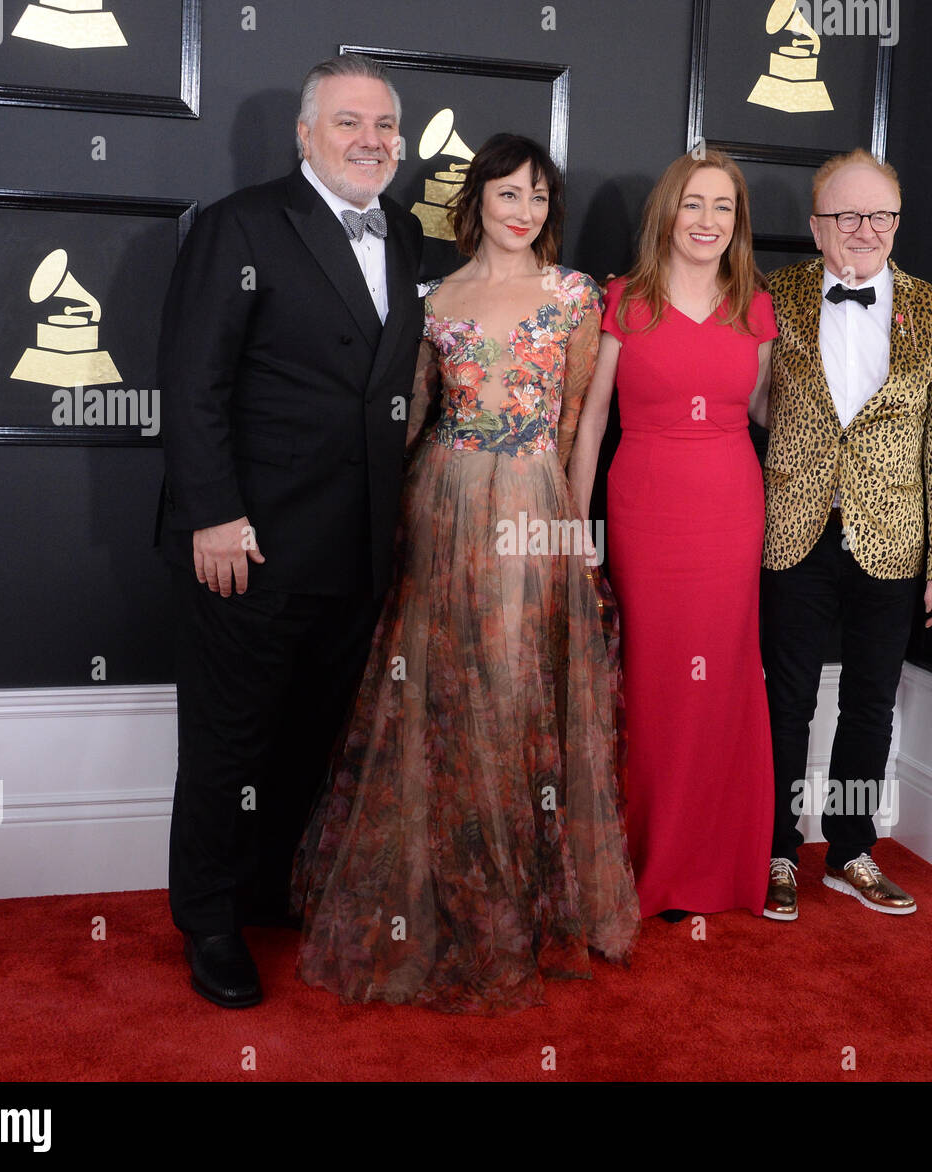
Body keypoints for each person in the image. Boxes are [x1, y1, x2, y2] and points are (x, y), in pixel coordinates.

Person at [290, 133, 640, 1014]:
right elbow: (406, 419)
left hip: (531, 505)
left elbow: (576, 426)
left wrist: (571, 526)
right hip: (440, 503)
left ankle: (518, 899)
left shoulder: (572, 297)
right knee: (439, 692)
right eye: (507, 195)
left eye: (538, 198)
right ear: (474, 200)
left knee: (516, 692)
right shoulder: (433, 296)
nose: (523, 212)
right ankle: (443, 893)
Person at [157, 54, 424, 1007]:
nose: (372, 141)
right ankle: (210, 920)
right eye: (350, 122)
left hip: (354, 550)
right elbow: (193, 387)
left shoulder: (402, 231)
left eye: (386, 126)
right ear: (305, 134)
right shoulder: (241, 224)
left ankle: (269, 888)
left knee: (308, 738)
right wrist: (217, 517)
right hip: (250, 545)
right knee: (228, 742)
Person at [759, 147, 932, 920]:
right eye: (847, 215)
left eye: (881, 214)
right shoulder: (771, 296)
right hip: (792, 530)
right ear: (817, 228)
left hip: (894, 538)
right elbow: (747, 407)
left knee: (873, 702)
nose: (866, 229)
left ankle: (850, 849)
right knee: (786, 700)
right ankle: (776, 848)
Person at [568, 150, 777, 921]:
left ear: (738, 223)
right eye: (694, 204)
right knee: (652, 678)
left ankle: (714, 866)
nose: (709, 221)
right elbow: (591, 423)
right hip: (646, 509)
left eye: (724, 208)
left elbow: (763, 413)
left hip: (730, 508)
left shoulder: (755, 307)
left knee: (720, 676)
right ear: (668, 212)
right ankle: (641, 862)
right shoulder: (623, 300)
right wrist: (571, 528)